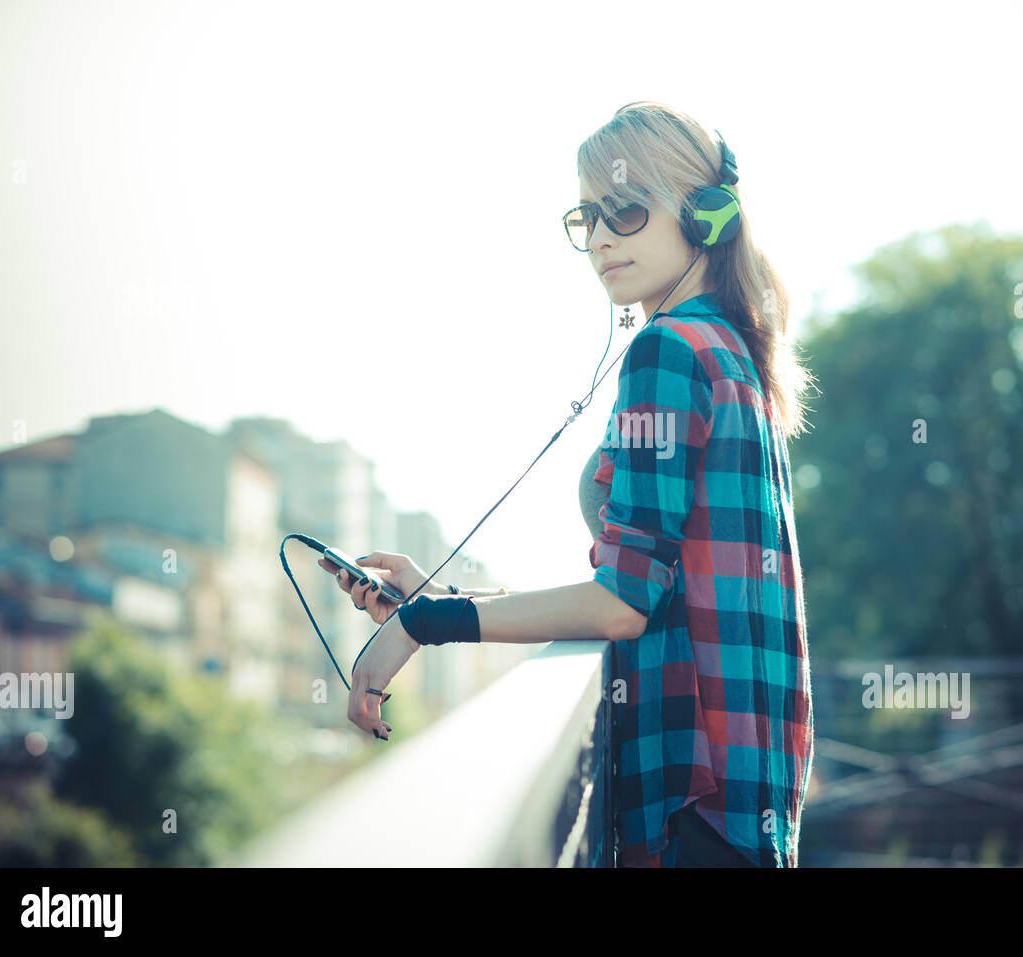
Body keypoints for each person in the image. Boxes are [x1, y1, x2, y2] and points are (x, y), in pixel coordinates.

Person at [319, 101, 816, 868]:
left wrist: (424, 626)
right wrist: (444, 601)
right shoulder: (729, 349)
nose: (604, 237)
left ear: (706, 215)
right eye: (589, 217)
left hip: (690, 801)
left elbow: (621, 604)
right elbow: (649, 585)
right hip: (739, 808)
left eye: (626, 208)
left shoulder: (669, 351)